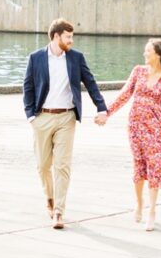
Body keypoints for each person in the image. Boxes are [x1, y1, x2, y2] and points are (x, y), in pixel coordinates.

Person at [23, 18, 109, 229]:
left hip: (66, 118)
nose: (71, 41)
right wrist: (31, 117)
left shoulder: (76, 58)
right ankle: (50, 199)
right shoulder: (36, 58)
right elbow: (28, 87)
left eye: (72, 37)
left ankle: (59, 211)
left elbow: (90, 83)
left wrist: (101, 107)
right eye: (68, 37)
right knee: (43, 166)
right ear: (56, 36)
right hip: (42, 118)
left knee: (62, 166)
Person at [101, 37, 161, 230]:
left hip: (156, 129)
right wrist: (107, 113)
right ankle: (139, 204)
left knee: (154, 168)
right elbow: (124, 94)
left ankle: (152, 210)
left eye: (148, 51)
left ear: (158, 54)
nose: (144, 53)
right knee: (139, 167)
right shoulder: (138, 71)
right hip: (135, 127)